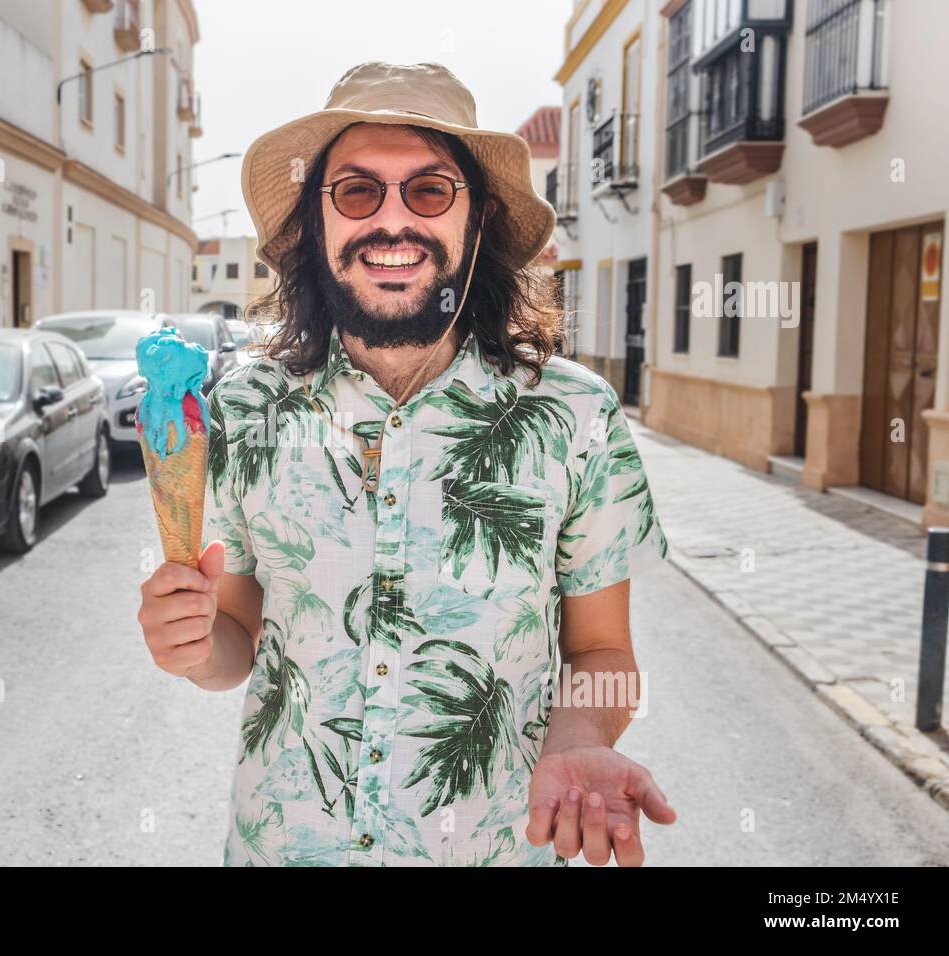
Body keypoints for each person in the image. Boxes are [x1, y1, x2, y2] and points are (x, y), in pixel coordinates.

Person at [137, 62, 675, 866]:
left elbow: (602, 654)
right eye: (357, 192)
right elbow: (240, 635)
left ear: (478, 220)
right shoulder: (246, 410)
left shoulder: (575, 417)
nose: (393, 222)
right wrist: (192, 645)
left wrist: (580, 738)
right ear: (314, 224)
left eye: (429, 191)